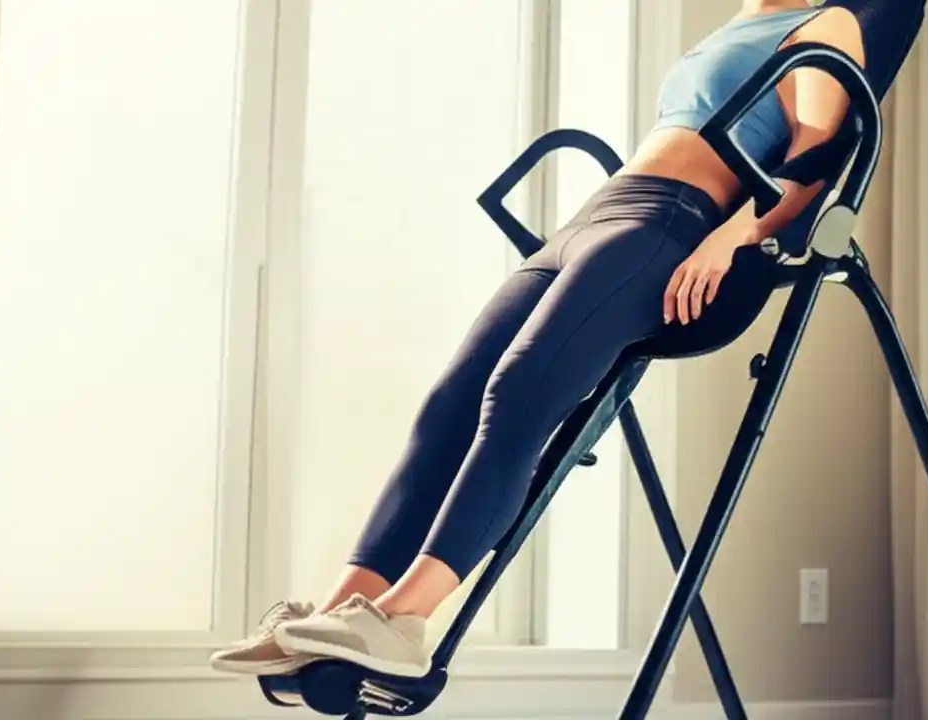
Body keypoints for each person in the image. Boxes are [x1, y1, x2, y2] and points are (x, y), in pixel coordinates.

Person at [210, 0, 865, 679]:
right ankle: (343, 610)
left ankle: (404, 618)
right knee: (448, 407)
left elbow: (813, 163)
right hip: (597, 216)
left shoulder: (829, 23)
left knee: (521, 392)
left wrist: (737, 235)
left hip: (669, 223)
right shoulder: (739, 22)